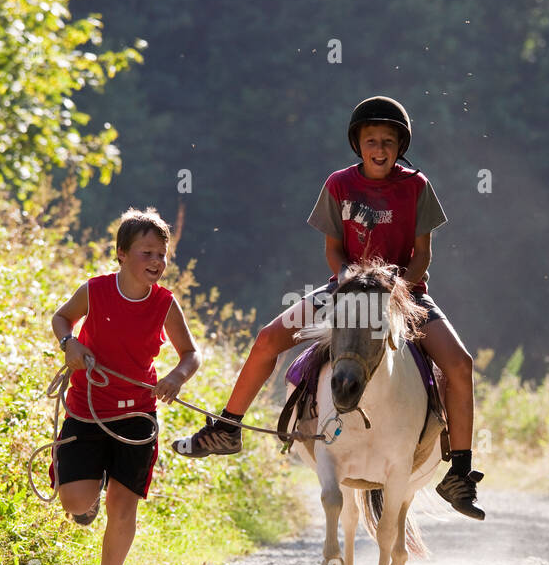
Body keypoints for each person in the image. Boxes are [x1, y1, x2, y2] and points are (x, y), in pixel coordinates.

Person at [170, 95, 485, 518]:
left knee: (460, 364)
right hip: (345, 288)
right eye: (371, 140)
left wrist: (399, 291)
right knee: (267, 339)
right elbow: (334, 250)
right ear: (358, 143)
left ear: (400, 146)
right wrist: (345, 284)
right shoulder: (339, 184)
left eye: (388, 141)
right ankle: (228, 426)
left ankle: (459, 472)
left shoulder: (417, 186)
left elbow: (423, 254)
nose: (379, 149)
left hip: (403, 291)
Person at [49, 207, 200, 565]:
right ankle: (86, 496)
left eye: (162, 254)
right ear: (121, 254)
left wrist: (176, 377)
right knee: (74, 500)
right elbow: (61, 318)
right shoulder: (95, 291)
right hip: (87, 410)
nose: (156, 262)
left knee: (124, 505)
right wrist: (70, 344)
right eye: (146, 253)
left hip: (137, 415)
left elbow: (191, 354)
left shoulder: (166, 304)